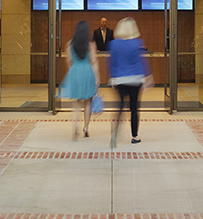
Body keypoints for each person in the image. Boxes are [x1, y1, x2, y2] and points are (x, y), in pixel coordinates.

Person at [108, 17, 149, 147]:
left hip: (120, 79)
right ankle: (134, 136)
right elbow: (141, 61)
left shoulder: (113, 44)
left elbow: (112, 63)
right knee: (134, 109)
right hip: (135, 79)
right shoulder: (137, 43)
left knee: (120, 107)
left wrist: (113, 79)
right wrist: (147, 77)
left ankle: (115, 131)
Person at [59, 19, 99, 139]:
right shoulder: (91, 45)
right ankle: (86, 127)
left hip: (75, 71)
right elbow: (94, 62)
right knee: (88, 102)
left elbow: (69, 62)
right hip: (87, 71)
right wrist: (97, 78)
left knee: (76, 102)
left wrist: (73, 71)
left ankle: (75, 124)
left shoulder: (69, 44)